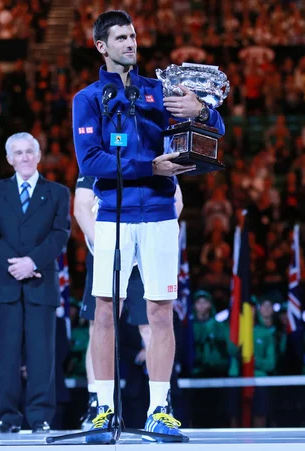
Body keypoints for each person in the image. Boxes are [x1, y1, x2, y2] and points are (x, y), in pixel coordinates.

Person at [72, 10, 225, 443]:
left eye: (134, 36)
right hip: (113, 218)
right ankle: (103, 409)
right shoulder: (87, 99)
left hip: (159, 216)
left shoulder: (161, 92)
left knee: (160, 311)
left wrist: (203, 112)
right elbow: (91, 161)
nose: (131, 43)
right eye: (120, 37)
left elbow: (215, 135)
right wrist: (151, 166)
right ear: (101, 46)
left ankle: (160, 409)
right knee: (104, 311)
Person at [74, 173, 183, 429]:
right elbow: (81, 206)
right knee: (100, 321)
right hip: (107, 244)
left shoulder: (156, 149)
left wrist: (149, 245)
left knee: (153, 322)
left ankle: (160, 404)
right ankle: (97, 405)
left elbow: (176, 200)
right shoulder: (100, 153)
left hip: (148, 240)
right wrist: (102, 245)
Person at [0, 132, 70, 434]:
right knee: (7, 355)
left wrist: (32, 262)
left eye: (29, 151)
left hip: (40, 283)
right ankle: (7, 416)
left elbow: (59, 234)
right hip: (4, 284)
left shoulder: (57, 193)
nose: (24, 158)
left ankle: (40, 416)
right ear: (9, 159)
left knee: (41, 356)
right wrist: (16, 264)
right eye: (18, 153)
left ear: (39, 154)